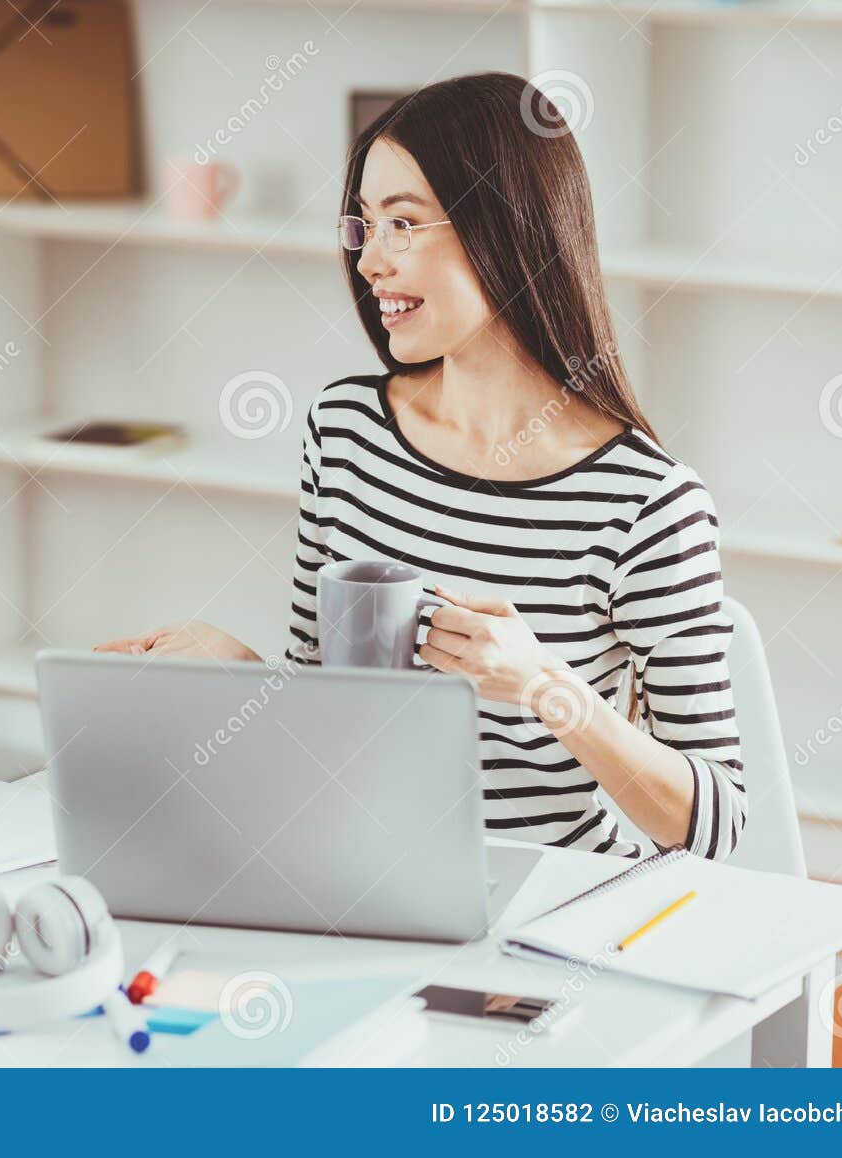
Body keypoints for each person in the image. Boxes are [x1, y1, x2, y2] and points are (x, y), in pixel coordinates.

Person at [98, 73, 745, 862]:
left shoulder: (646, 504)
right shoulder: (345, 430)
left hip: (542, 905)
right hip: (352, 868)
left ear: (503, 228)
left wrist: (547, 686)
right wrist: (239, 672)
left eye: (402, 223)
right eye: (364, 225)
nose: (371, 261)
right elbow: (324, 707)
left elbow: (714, 822)